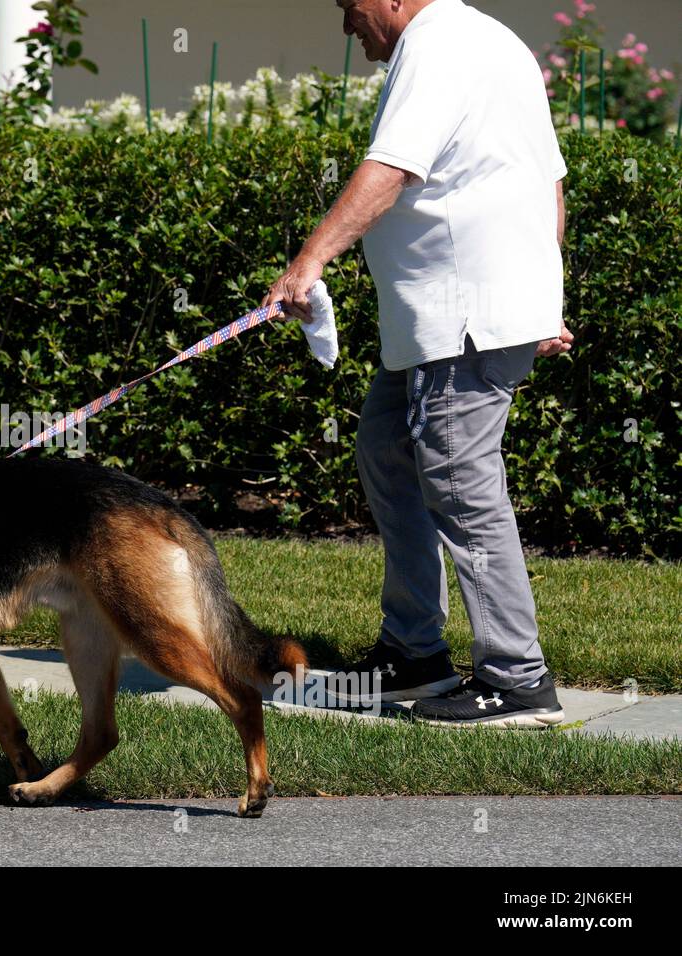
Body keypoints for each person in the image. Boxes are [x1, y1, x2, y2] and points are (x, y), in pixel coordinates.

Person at [262, 0, 574, 726]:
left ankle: (517, 678)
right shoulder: (489, 41)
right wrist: (541, 293)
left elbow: (392, 168)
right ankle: (414, 655)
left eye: (349, 7)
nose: (347, 26)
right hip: (441, 320)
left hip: (462, 315)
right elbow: (545, 180)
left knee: (462, 485)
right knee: (385, 447)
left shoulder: (439, 45)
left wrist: (308, 261)